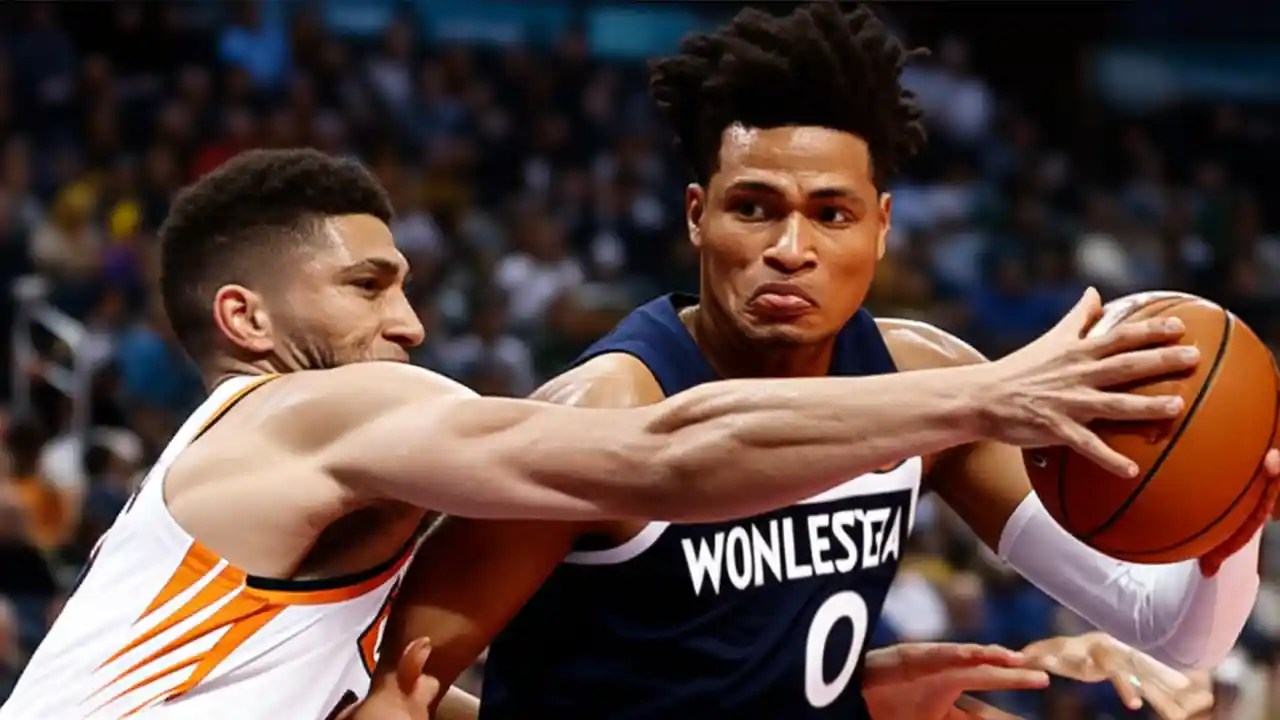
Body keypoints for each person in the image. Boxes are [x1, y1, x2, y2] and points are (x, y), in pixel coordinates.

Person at [0, 146, 1199, 719]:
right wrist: (988, 394)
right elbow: (667, 461)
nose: (409, 323)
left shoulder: (262, 499)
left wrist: (803, 695)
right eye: (368, 287)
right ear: (246, 319)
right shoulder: (312, 409)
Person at [358, 4, 1279, 719]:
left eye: (831, 214)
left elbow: (1172, 631)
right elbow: (394, 684)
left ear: (882, 227)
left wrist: (1230, 530)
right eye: (753, 207)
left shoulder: (918, 379)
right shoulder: (603, 411)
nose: (790, 247)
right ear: (696, 217)